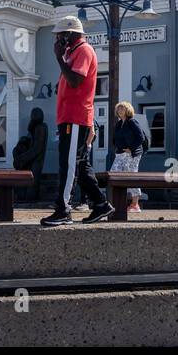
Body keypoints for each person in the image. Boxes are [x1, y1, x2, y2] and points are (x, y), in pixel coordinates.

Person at [41, 15, 114, 226]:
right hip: (70, 117)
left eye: (61, 35)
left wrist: (58, 59)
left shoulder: (83, 50)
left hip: (75, 118)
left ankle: (63, 209)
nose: (57, 39)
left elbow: (76, 81)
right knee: (80, 165)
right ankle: (101, 204)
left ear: (71, 34)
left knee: (68, 164)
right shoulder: (72, 53)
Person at [110, 101, 148, 214]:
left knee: (131, 175)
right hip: (120, 154)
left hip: (132, 154)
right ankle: (117, 203)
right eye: (119, 109)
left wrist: (131, 148)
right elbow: (115, 138)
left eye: (122, 108)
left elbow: (140, 137)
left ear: (128, 110)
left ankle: (135, 204)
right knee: (114, 174)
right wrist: (117, 148)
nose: (120, 110)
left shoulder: (132, 122)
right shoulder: (119, 123)